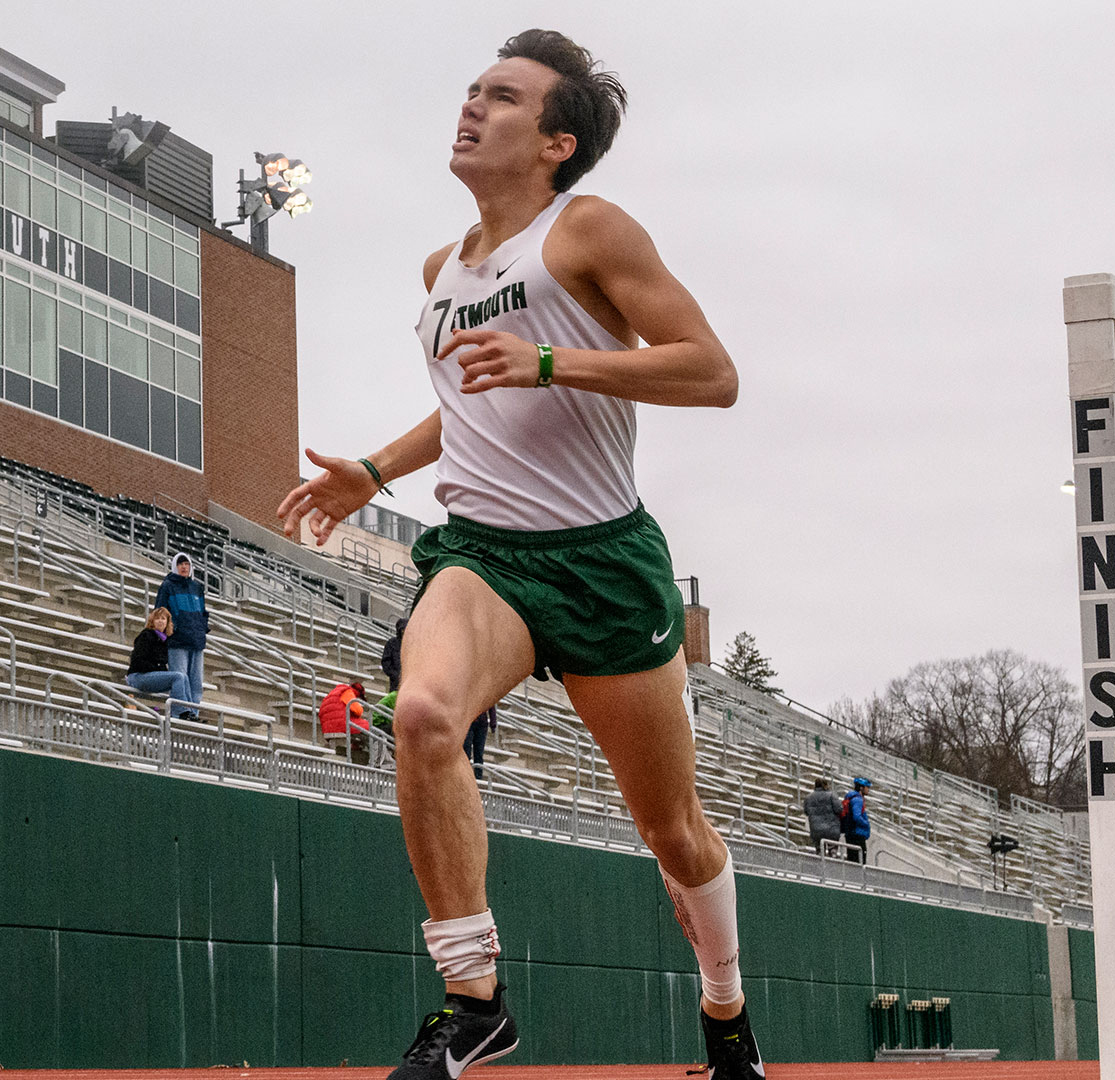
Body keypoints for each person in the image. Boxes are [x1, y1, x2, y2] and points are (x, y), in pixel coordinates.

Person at [276, 29, 759, 1078]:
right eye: (471, 89)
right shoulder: (439, 269)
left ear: (555, 142)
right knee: (420, 712)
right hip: (484, 555)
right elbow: (467, 404)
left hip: (600, 560)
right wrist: (374, 467)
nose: (472, 106)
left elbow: (710, 371)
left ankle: (726, 1013)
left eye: (502, 97)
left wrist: (552, 359)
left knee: (673, 832)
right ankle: (473, 995)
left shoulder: (588, 231)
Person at [152, 552, 209, 709]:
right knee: (180, 678)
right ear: (175, 566)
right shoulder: (168, 586)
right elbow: (160, 611)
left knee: (196, 681)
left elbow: (202, 612)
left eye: (187, 564)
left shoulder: (197, 587)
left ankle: (194, 711)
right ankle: (180, 712)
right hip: (177, 640)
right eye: (180, 564)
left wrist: (202, 627)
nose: (184, 567)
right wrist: (169, 631)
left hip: (196, 640)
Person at [125, 607, 198, 718]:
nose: (160, 621)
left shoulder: (165, 641)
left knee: (184, 677)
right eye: (157, 619)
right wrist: (157, 667)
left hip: (150, 676)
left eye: (163, 619)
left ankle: (190, 712)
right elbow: (138, 660)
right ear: (152, 622)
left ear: (167, 622)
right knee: (178, 677)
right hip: (138, 676)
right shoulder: (146, 636)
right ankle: (179, 712)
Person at [318, 679, 371, 764]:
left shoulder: (334, 692)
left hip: (329, 727)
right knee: (372, 729)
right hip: (341, 725)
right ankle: (377, 760)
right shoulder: (348, 692)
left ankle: (356, 748)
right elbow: (358, 710)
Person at [802, 777, 846, 855]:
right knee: (832, 849)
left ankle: (821, 863)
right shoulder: (832, 795)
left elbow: (806, 811)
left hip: (816, 829)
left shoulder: (809, 798)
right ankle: (832, 857)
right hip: (832, 829)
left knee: (820, 851)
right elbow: (839, 809)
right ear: (825, 785)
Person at [842, 778, 873, 864]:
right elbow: (857, 816)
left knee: (853, 860)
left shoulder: (853, 798)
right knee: (859, 861)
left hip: (852, 833)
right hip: (857, 834)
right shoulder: (858, 800)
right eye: (867, 787)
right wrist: (866, 824)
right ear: (861, 788)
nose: (868, 790)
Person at [462, 703, 497, 779]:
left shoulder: (486, 692)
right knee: (466, 749)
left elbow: (491, 704)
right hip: (469, 721)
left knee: (479, 752)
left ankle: (478, 776)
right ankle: (465, 775)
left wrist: (493, 723)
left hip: (482, 724)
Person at [381, 617, 409, 691]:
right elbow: (386, 662)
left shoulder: (413, 644)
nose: (404, 632)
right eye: (403, 630)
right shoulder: (392, 643)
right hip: (395, 683)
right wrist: (395, 675)